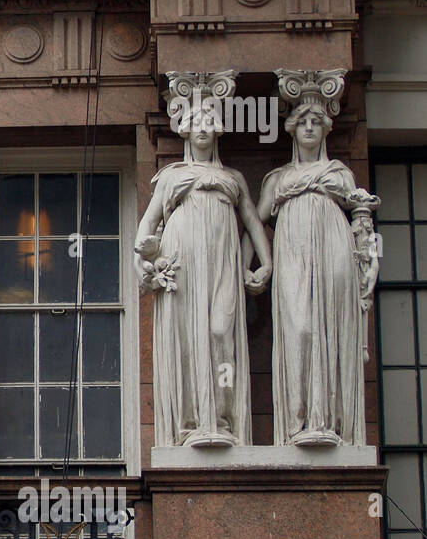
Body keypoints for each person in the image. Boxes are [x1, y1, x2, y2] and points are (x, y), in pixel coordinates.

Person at [135, 72, 272, 447]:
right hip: (184, 262)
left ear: (217, 132)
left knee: (219, 333)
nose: (202, 129)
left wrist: (266, 261)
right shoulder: (171, 177)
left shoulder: (233, 178)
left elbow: (253, 221)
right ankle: (194, 420)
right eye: (195, 123)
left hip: (222, 265)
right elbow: (147, 224)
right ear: (185, 131)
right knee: (187, 337)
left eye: (209, 123)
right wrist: (144, 261)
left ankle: (224, 419)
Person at [259, 70, 379, 446]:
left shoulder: (340, 174)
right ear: (292, 129)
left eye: (317, 122)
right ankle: (297, 422)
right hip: (292, 251)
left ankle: (326, 420)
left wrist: (366, 247)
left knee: (328, 329)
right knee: (301, 328)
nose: (310, 127)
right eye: (303, 122)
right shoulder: (278, 178)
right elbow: (256, 218)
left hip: (332, 251)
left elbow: (361, 220)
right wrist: (257, 264)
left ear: (326, 130)